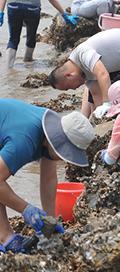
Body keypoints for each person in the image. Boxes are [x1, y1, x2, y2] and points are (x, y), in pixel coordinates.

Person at [0, 99, 95, 253]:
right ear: (57, 140)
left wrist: (49, 222)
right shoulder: (24, 141)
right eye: (65, 152)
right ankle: (5, 238)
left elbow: (48, 179)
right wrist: (26, 210)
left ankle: (7, 238)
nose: (64, 157)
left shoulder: (52, 129)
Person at [48, 26, 120, 118]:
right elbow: (96, 93)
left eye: (69, 87)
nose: (74, 88)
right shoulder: (83, 74)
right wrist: (102, 116)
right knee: (102, 94)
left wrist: (107, 103)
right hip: (117, 62)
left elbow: (103, 74)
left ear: (69, 75)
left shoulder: (82, 54)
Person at [0, 0, 78, 67]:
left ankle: (9, 68)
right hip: (33, 7)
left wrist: (1, 12)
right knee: (31, 36)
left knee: (13, 38)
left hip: (14, 6)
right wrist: (64, 15)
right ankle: (28, 61)